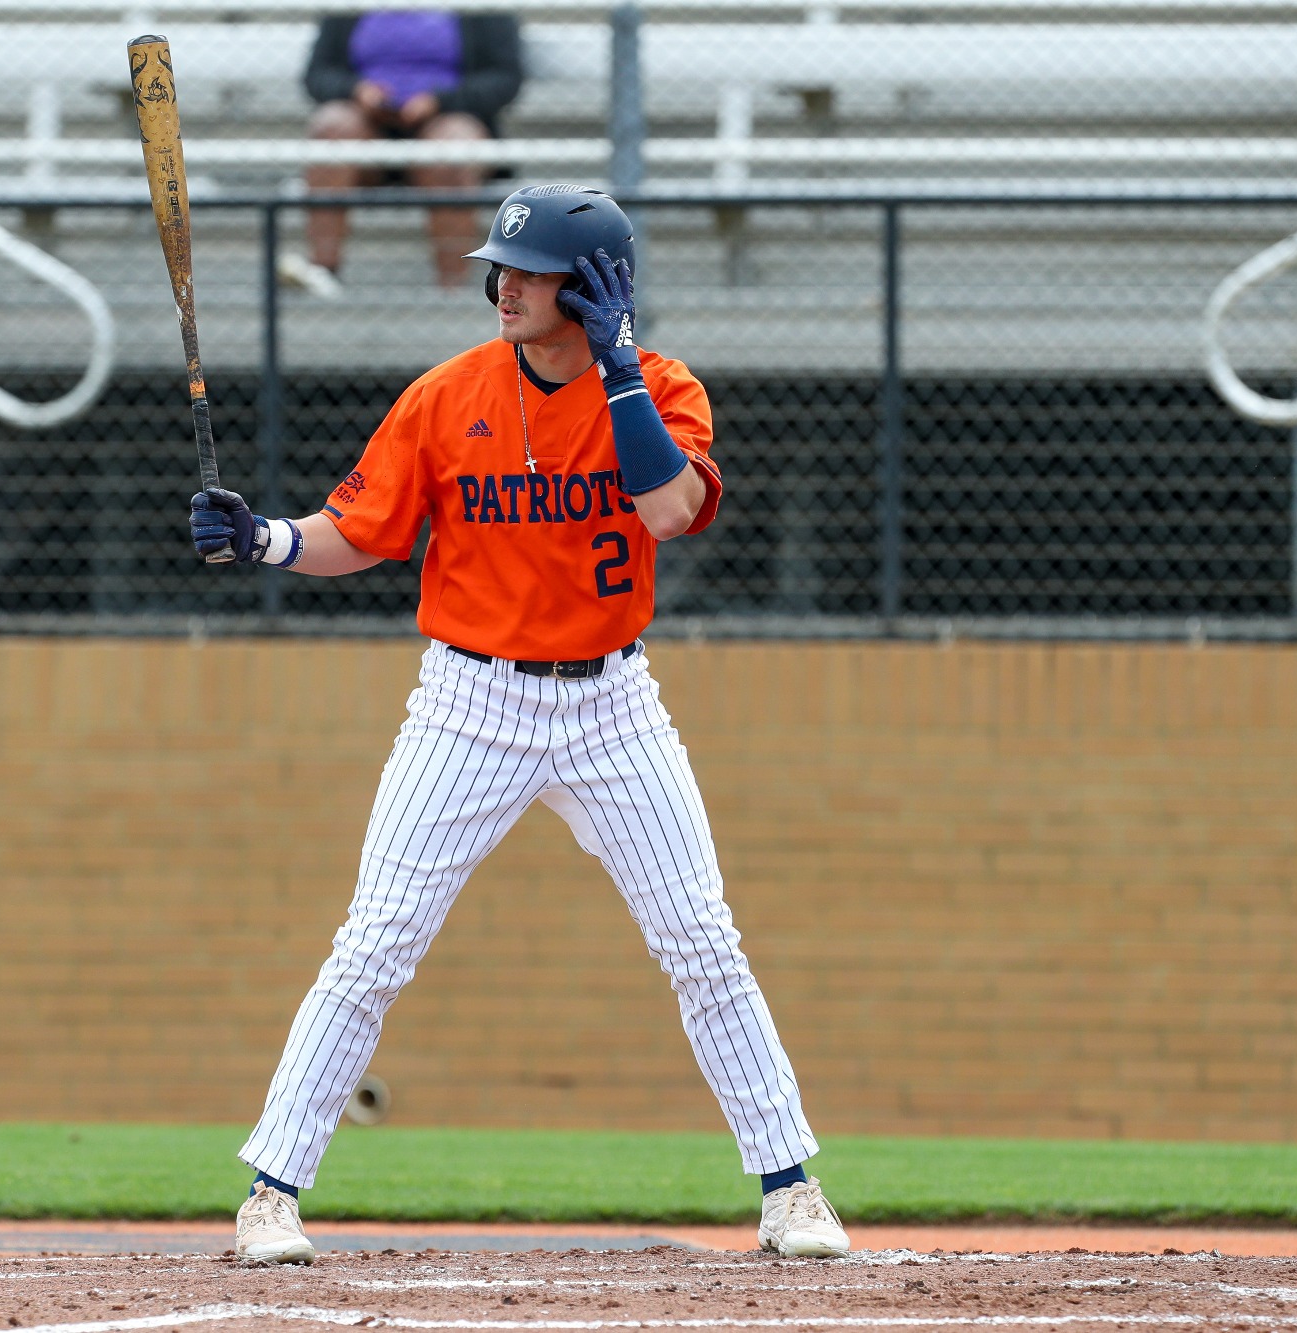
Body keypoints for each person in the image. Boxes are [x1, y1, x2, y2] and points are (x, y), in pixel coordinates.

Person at [190, 184, 849, 1266]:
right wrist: (261, 539)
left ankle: (789, 1188)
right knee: (375, 942)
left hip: (611, 703)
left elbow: (669, 509)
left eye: (535, 271)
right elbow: (355, 533)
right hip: (468, 701)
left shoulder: (665, 389)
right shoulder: (446, 395)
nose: (504, 285)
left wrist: (621, 365)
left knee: (700, 940)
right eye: (505, 266)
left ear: (591, 289)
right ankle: (270, 1192)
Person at [292, 10, 522, 291]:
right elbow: (318, 75)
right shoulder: (346, 9)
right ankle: (322, 274)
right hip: (367, 126)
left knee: (451, 148)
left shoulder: (482, 9)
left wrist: (439, 100)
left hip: (448, 116)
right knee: (331, 126)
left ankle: (451, 290)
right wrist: (357, 91)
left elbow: (505, 78)